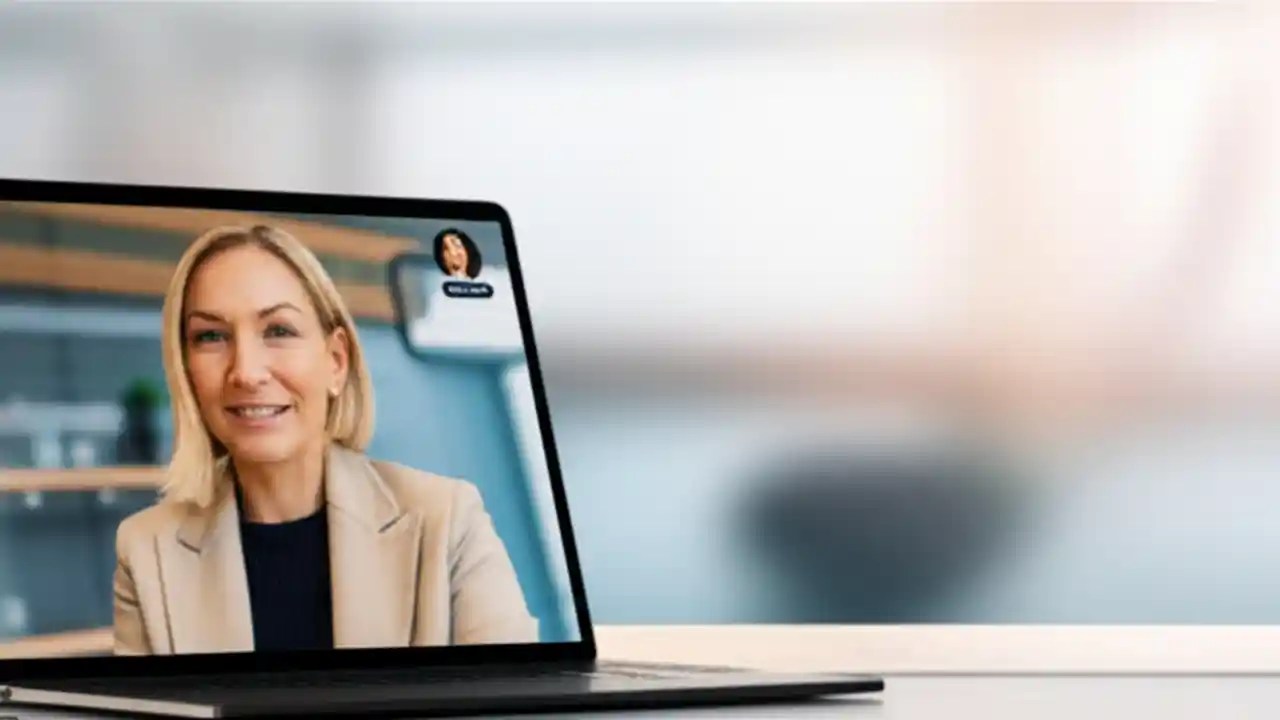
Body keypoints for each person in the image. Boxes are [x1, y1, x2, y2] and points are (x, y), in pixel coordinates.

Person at [112, 225, 537, 655]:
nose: (246, 371)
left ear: (335, 362)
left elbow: (516, 701)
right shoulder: (147, 551)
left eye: (278, 330)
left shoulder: (448, 521)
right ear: (185, 371)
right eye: (211, 337)